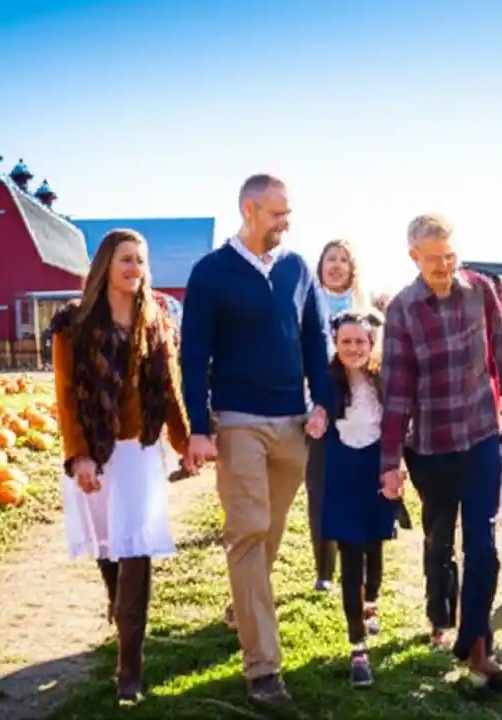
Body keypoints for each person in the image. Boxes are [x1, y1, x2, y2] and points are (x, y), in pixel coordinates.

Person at [180, 173, 332, 706]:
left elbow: (316, 337)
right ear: (249, 209)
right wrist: (199, 428)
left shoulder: (296, 267)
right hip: (239, 419)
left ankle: (239, 611)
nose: (286, 222)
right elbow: (194, 353)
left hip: (293, 420)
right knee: (248, 530)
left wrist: (323, 402)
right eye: (276, 213)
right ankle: (263, 669)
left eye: (287, 213)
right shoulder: (212, 273)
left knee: (270, 530)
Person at [380, 213, 502, 691]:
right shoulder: (403, 308)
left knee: (482, 542)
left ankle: (478, 648)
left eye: (450, 256)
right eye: (434, 259)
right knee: (440, 538)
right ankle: (441, 613)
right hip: (430, 446)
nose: (444, 267)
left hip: (480, 433)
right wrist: (390, 462)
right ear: (413, 256)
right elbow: (397, 389)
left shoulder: (480, 290)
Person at [50, 229, 191, 705]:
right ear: (106, 265)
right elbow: (66, 397)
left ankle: (130, 667)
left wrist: (185, 442)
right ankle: (119, 610)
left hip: (140, 450)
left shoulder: (155, 320)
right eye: (127, 259)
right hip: (96, 449)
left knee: (137, 549)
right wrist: (80, 455)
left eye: (141, 261)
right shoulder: (73, 324)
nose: (135, 268)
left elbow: (169, 389)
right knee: (109, 549)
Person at [314, 309, 398, 687]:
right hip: (342, 469)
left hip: (376, 466)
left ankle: (371, 602)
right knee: (350, 554)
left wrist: (397, 468)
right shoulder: (328, 380)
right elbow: (316, 409)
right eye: (346, 341)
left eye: (359, 341)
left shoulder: (383, 380)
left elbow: (398, 423)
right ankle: (357, 647)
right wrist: (316, 419)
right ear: (336, 343)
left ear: (371, 344)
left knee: (375, 544)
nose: (353, 348)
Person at [305, 239, 374, 592]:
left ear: (352, 268)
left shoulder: (366, 307)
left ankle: (359, 563)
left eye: (343, 260)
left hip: (360, 413)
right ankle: (324, 568)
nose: (335, 265)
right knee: (320, 489)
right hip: (318, 409)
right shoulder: (306, 301)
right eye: (330, 258)